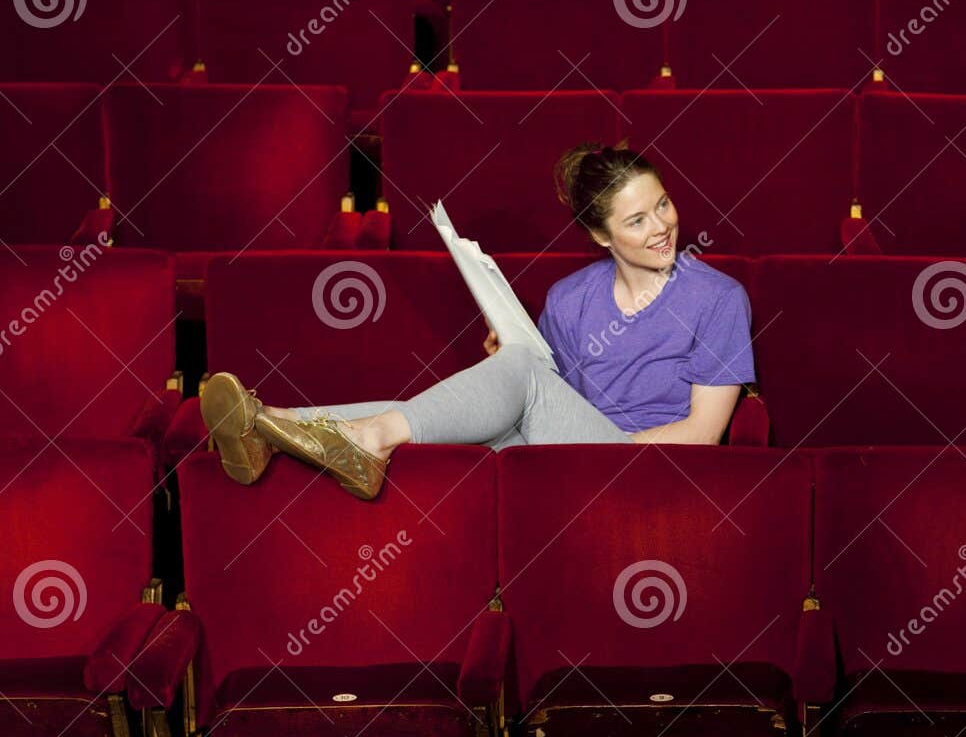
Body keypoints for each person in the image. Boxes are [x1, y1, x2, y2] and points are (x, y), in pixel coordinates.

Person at [199, 143, 755, 499]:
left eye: (662, 205)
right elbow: (555, 399)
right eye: (637, 219)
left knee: (516, 378)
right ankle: (271, 423)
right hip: (564, 463)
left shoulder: (719, 298)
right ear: (600, 236)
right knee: (478, 412)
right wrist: (508, 374)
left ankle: (364, 437)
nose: (662, 226)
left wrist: (581, 428)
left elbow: (703, 435)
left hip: (652, 475)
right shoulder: (568, 299)